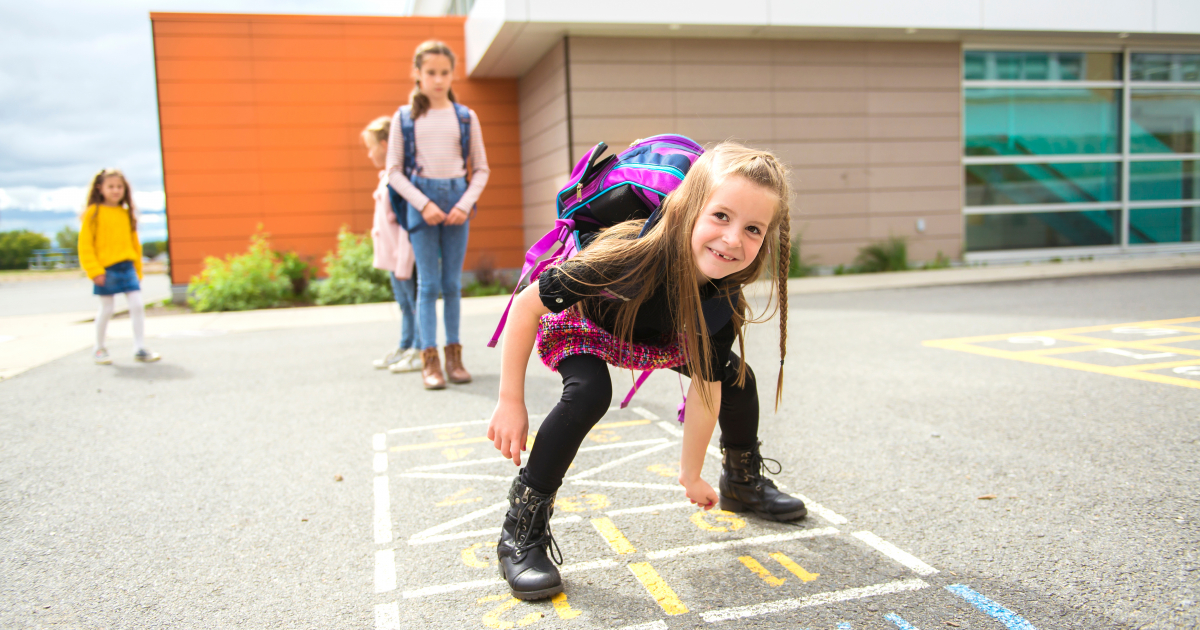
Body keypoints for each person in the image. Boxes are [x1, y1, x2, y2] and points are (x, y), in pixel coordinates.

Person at [485, 142, 807, 600]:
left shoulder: (721, 298)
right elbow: (525, 307)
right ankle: (521, 531)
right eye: (721, 216)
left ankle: (740, 480)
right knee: (589, 392)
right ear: (688, 208)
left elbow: (707, 389)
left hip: (660, 333)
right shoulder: (625, 254)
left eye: (753, 228)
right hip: (589, 321)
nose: (734, 239)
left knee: (738, 378)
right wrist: (510, 401)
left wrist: (691, 474)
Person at [386, 40, 489, 390]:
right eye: (430, 72)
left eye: (444, 72)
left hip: (457, 200)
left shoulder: (465, 117)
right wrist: (424, 204)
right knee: (427, 285)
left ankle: (454, 359)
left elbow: (482, 169)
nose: (438, 79)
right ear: (417, 73)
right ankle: (429, 362)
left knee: (452, 285)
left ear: (451, 73)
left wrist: (463, 204)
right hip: (422, 202)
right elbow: (394, 172)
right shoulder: (404, 118)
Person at [78, 168, 160, 365]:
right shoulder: (93, 213)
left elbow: (135, 244)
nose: (115, 190)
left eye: (119, 187)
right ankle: (99, 348)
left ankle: (139, 347)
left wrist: (138, 270)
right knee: (107, 308)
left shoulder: (126, 214)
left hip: (128, 267)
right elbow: (85, 244)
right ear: (100, 188)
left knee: (137, 305)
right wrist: (94, 270)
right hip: (106, 269)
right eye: (111, 186)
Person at [364, 116, 422, 374]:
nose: (369, 153)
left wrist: (403, 260)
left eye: (371, 146)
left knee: (413, 302)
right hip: (392, 257)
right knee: (403, 303)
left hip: (403, 257)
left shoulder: (397, 181)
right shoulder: (386, 177)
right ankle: (406, 344)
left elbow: (404, 225)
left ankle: (420, 349)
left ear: (386, 145)